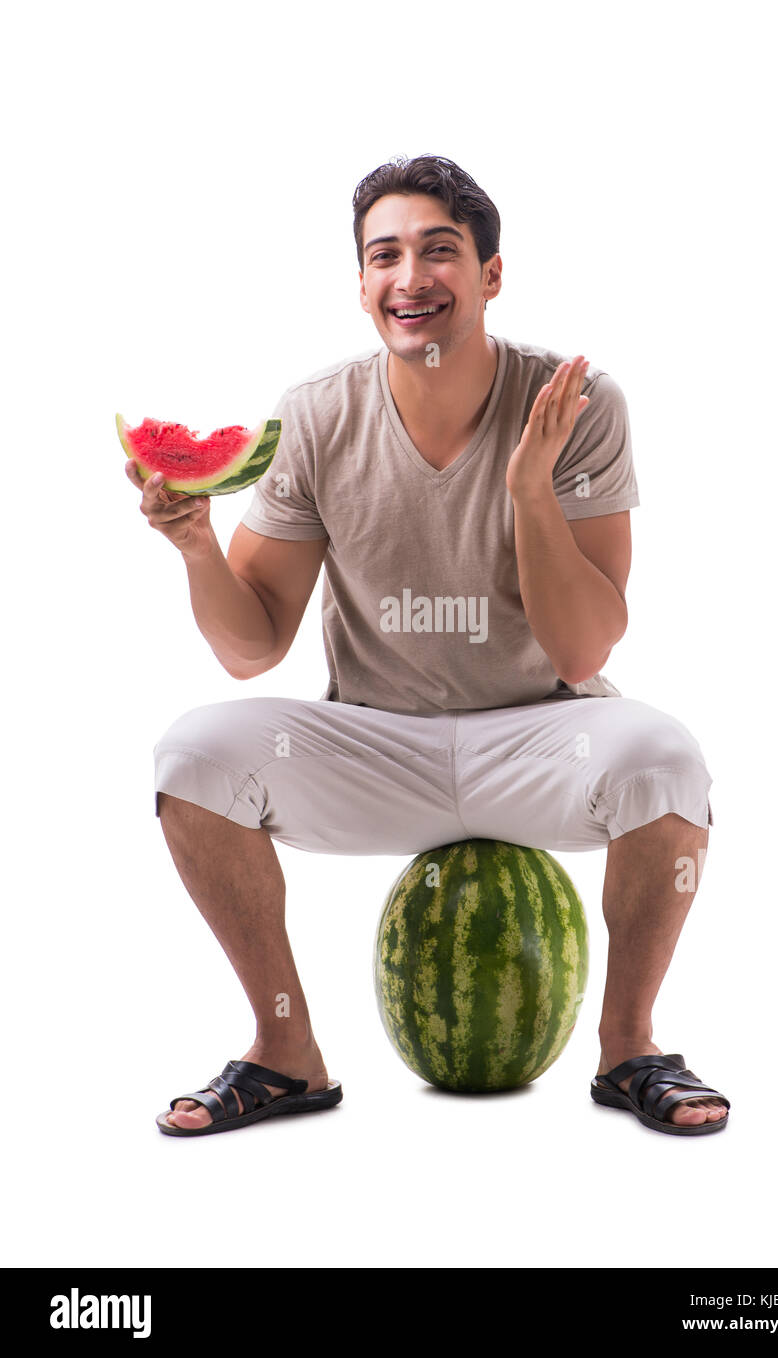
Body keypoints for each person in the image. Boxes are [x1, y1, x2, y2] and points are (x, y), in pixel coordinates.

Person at [129, 154, 730, 1138]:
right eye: (385, 256)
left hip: (543, 737)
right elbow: (252, 648)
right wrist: (195, 543)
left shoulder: (575, 403)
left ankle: (631, 1046)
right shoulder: (317, 416)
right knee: (192, 754)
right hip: (377, 746)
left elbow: (582, 650)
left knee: (665, 756)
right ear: (361, 284)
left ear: (491, 275)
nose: (410, 276)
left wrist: (530, 491)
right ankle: (284, 1050)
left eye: (439, 251)